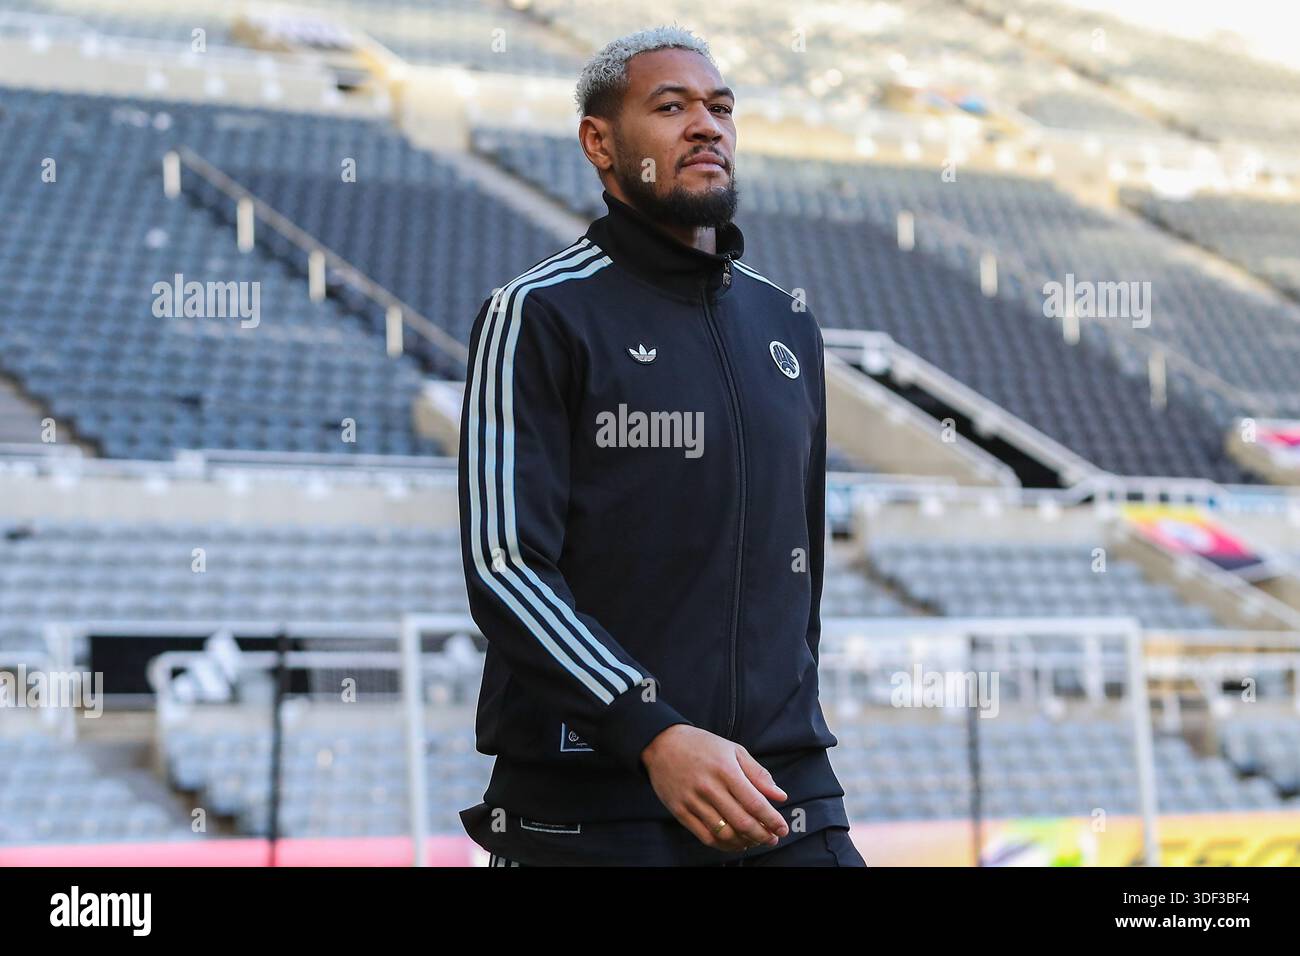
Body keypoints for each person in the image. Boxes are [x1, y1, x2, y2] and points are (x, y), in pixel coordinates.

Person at [457, 25, 864, 867]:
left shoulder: (785, 322)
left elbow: (802, 568)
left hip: (781, 791)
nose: (707, 125)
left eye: (720, 107)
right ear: (600, 144)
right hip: (595, 807)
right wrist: (650, 729)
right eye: (671, 106)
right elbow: (505, 567)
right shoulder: (536, 313)